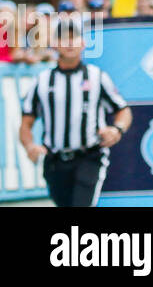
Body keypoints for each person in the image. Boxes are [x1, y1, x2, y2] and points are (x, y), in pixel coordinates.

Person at [18, 18, 131, 207]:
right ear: (54, 45)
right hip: (55, 161)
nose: (69, 43)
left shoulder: (97, 76)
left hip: (89, 156)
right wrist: (30, 146)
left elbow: (123, 110)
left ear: (83, 43)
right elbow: (26, 123)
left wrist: (117, 129)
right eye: (63, 38)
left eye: (74, 37)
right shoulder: (42, 81)